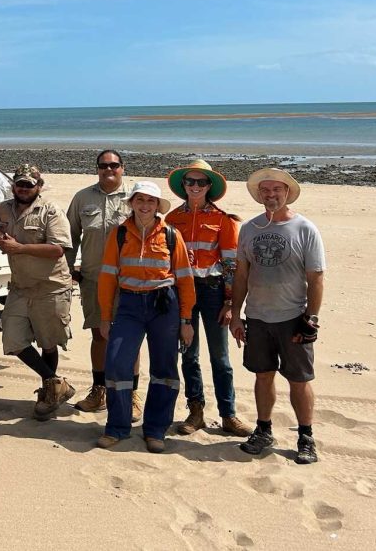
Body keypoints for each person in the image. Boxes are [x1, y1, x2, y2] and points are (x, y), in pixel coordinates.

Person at [231, 168, 326, 464]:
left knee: (299, 379)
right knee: (263, 375)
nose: (271, 195)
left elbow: (317, 277)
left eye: (276, 190)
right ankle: (263, 429)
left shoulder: (304, 228)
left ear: (287, 193)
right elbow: (242, 275)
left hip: (292, 317)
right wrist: (235, 314)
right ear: (259, 195)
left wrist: (311, 318)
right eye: (265, 190)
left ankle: (306, 436)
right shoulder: (249, 228)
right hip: (258, 316)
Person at [96, 181, 195, 452]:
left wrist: (186, 319)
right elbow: (107, 278)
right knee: (116, 363)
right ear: (131, 203)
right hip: (129, 305)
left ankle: (155, 429)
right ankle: (117, 426)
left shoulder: (172, 235)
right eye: (140, 200)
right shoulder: (119, 234)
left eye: (150, 201)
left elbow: (185, 279)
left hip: (164, 306)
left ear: (157, 206)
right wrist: (105, 316)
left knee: (164, 369)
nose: (145, 206)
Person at [0, 164, 76, 420]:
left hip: (51, 287)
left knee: (48, 342)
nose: (23, 189)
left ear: (39, 186)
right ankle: (55, 382)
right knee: (12, 339)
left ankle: (49, 394)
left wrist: (19, 248)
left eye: (29, 185)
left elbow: (58, 249)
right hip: (20, 287)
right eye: (19, 184)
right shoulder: (2, 208)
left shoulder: (51, 211)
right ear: (13, 186)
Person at [165, 160, 252, 438]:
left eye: (200, 182)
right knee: (188, 354)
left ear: (209, 187)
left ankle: (228, 415)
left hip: (213, 291)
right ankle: (196, 411)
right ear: (183, 185)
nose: (194, 186)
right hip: (182, 292)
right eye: (190, 181)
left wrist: (230, 303)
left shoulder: (223, 220)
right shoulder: (171, 220)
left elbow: (231, 266)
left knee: (221, 357)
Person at [65, 149, 138, 417]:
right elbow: (70, 235)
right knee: (99, 334)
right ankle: (100, 391)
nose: (109, 170)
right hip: (93, 278)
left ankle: (131, 394)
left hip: (129, 279)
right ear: (97, 168)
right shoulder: (82, 197)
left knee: (130, 337)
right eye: (103, 165)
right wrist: (69, 269)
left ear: (123, 167)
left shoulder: (135, 197)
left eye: (114, 165)